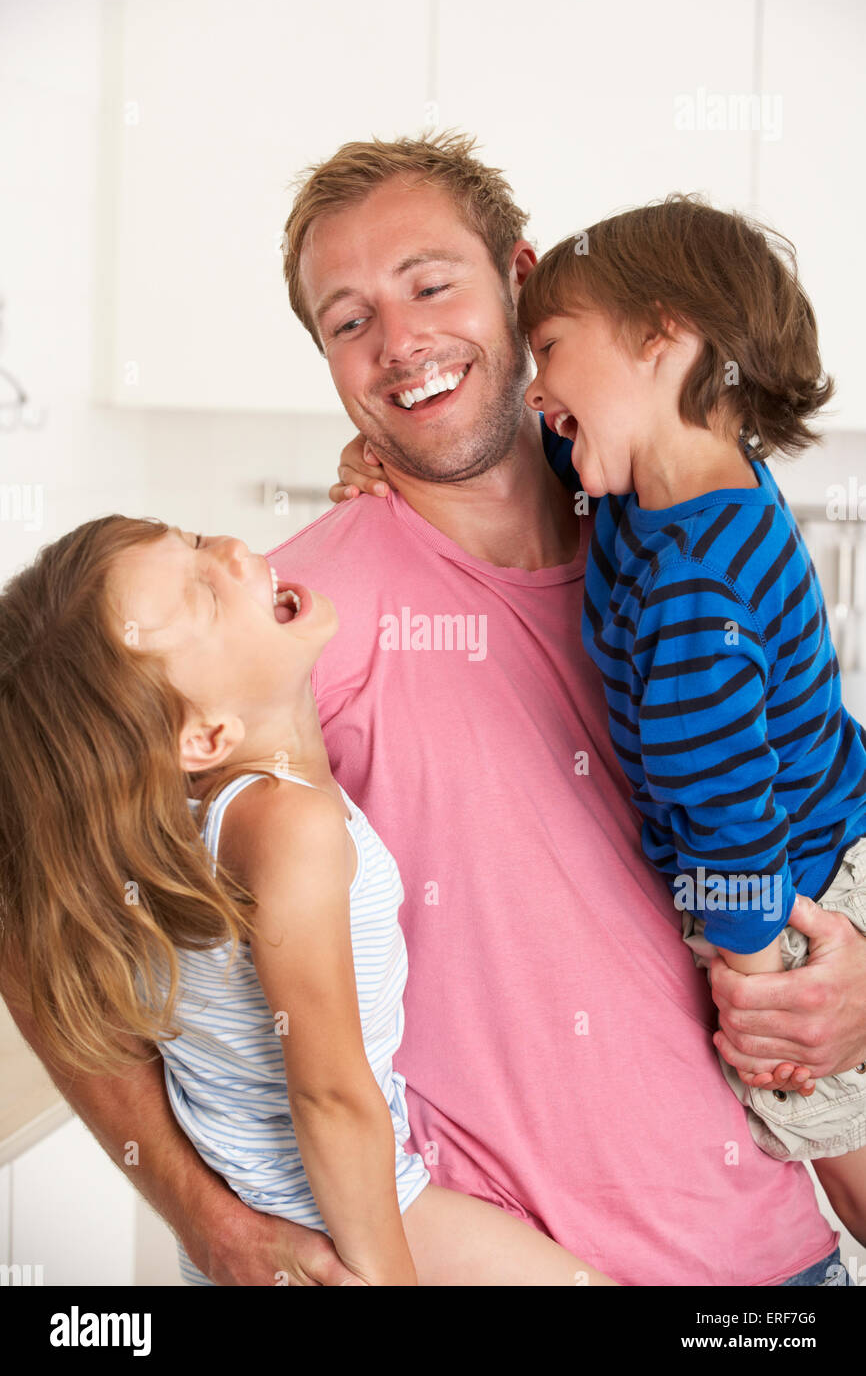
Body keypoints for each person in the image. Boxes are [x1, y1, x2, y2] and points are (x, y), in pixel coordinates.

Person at [2, 129, 862, 1285]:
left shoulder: (671, 531)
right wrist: (203, 1213)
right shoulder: (287, 624)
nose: (400, 343)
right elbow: (35, 898)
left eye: (428, 284)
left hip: (778, 1256)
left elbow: (806, 794)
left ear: (520, 278)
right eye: (347, 320)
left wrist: (849, 978)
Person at [0, 514, 614, 1286]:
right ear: (204, 738)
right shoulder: (291, 825)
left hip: (250, 1225)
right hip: (343, 1221)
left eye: (192, 541)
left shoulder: (165, 840)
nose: (227, 551)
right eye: (205, 594)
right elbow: (328, 1093)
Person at [513, 193, 866, 1242]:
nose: (536, 385)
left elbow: (727, 814)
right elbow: (554, 444)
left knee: (843, 1165)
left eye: (549, 347)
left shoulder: (689, 585)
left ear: (663, 332)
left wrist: (751, 985)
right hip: (826, 838)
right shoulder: (689, 487)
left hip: (789, 900)